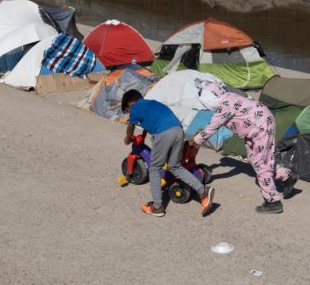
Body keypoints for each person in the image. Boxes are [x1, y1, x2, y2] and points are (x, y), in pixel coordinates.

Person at [191, 79, 298, 214]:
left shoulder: (224, 106)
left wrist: (194, 143)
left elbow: (211, 128)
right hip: (257, 124)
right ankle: (287, 176)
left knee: (260, 163)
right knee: (256, 158)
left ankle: (273, 202)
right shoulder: (226, 97)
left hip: (260, 126)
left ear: (209, 99)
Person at [121, 90, 215, 217]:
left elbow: (130, 126)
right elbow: (152, 121)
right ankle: (203, 191)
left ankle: (157, 207)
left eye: (126, 111)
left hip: (163, 133)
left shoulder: (135, 108)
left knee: (154, 169)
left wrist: (128, 138)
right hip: (178, 130)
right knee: (175, 166)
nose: (129, 113)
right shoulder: (152, 103)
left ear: (129, 104)